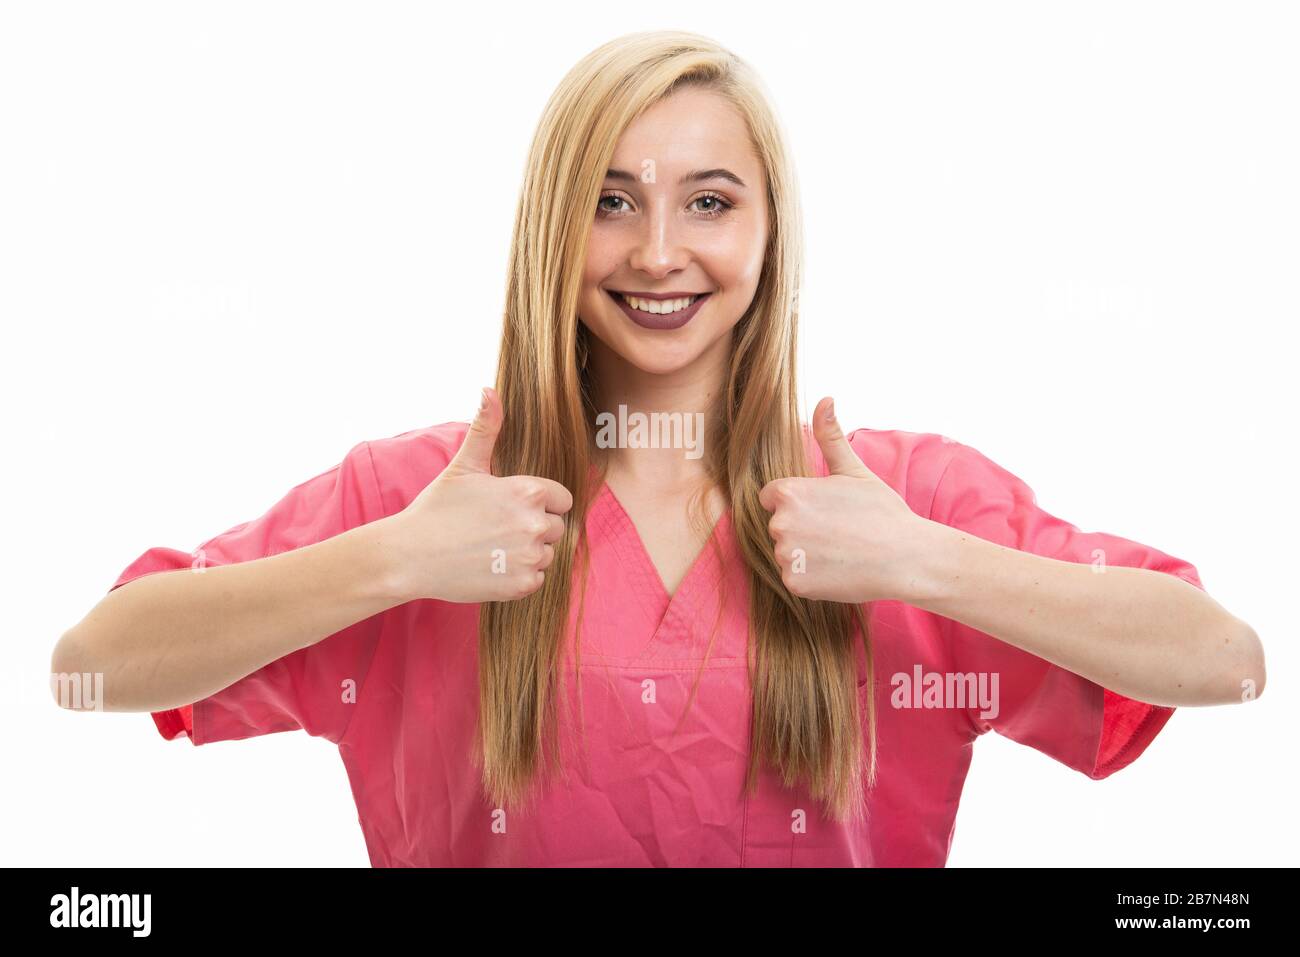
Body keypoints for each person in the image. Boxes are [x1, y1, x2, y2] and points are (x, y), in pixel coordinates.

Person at [51, 30, 1264, 867]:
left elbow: (1222, 663)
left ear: (769, 231)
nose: (656, 252)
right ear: (551, 227)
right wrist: (388, 564)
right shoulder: (420, 503)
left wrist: (928, 566)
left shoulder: (897, 500)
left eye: (710, 200)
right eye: (612, 199)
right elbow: (91, 668)